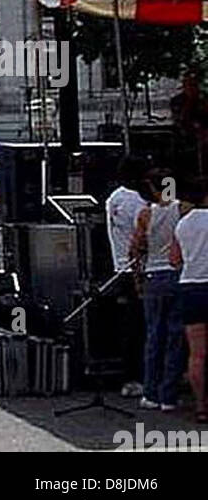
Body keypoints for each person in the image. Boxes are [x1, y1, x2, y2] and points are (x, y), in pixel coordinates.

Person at [130, 169, 185, 411]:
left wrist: (138, 280)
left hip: (154, 275)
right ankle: (169, 395)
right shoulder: (183, 210)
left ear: (152, 189)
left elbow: (136, 250)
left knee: (154, 335)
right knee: (176, 337)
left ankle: (150, 391)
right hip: (178, 274)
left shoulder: (146, 214)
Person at [106, 154, 149, 397]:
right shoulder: (138, 202)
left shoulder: (114, 199)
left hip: (119, 265)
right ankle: (141, 375)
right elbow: (142, 236)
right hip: (138, 269)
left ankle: (129, 376)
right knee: (143, 327)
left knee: (128, 326)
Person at [170, 178, 208, 422]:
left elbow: (175, 259)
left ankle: (201, 406)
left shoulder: (182, 225)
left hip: (191, 287)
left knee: (197, 353)